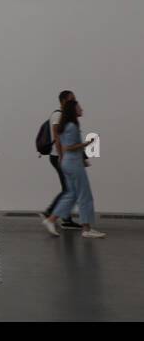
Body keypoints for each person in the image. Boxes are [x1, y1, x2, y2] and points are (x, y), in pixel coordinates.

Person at [43, 99, 105, 239]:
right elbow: (68, 147)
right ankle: (87, 228)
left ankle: (51, 219)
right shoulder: (72, 126)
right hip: (73, 164)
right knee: (85, 196)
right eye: (79, 107)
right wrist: (86, 143)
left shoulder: (67, 125)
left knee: (71, 195)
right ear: (73, 110)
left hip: (69, 163)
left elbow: (64, 146)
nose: (81, 109)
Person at [41, 90, 80, 229]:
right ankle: (50, 213)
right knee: (69, 189)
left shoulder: (65, 115)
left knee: (68, 188)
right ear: (64, 100)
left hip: (62, 156)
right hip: (58, 157)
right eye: (72, 99)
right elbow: (58, 138)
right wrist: (62, 158)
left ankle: (65, 218)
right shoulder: (58, 115)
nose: (75, 101)